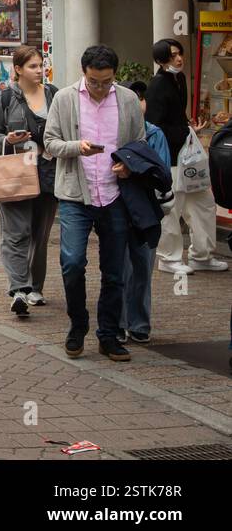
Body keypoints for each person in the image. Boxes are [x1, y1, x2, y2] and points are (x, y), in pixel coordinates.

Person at [44, 45, 147, 363]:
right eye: (93, 81)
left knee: (115, 270)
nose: (100, 88)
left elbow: (140, 142)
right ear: (83, 73)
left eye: (106, 82)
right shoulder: (65, 98)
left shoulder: (127, 99)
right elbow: (49, 141)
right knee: (73, 263)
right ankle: (78, 325)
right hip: (77, 195)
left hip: (115, 194)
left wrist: (129, 165)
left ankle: (108, 335)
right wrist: (77, 147)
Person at [0, 46, 59, 316]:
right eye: (33, 66)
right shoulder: (4, 98)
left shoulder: (54, 94)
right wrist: (7, 140)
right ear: (18, 69)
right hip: (16, 172)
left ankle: (35, 287)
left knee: (40, 234)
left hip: (49, 171)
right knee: (16, 233)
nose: (39, 71)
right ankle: (19, 289)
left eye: (40, 65)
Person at [146, 38, 227, 273]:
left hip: (187, 153)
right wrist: (187, 130)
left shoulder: (179, 78)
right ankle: (169, 258)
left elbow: (177, 116)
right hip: (169, 157)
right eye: (172, 56)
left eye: (179, 54)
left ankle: (202, 255)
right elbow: (155, 126)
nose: (179, 59)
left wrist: (189, 127)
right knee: (173, 207)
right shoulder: (157, 86)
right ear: (161, 60)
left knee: (203, 202)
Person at [121, 80, 172, 344]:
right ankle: (118, 323)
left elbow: (162, 174)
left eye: (141, 98)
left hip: (147, 208)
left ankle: (139, 323)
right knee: (119, 266)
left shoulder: (155, 134)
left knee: (142, 265)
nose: (138, 103)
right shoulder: (113, 132)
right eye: (133, 98)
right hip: (116, 205)